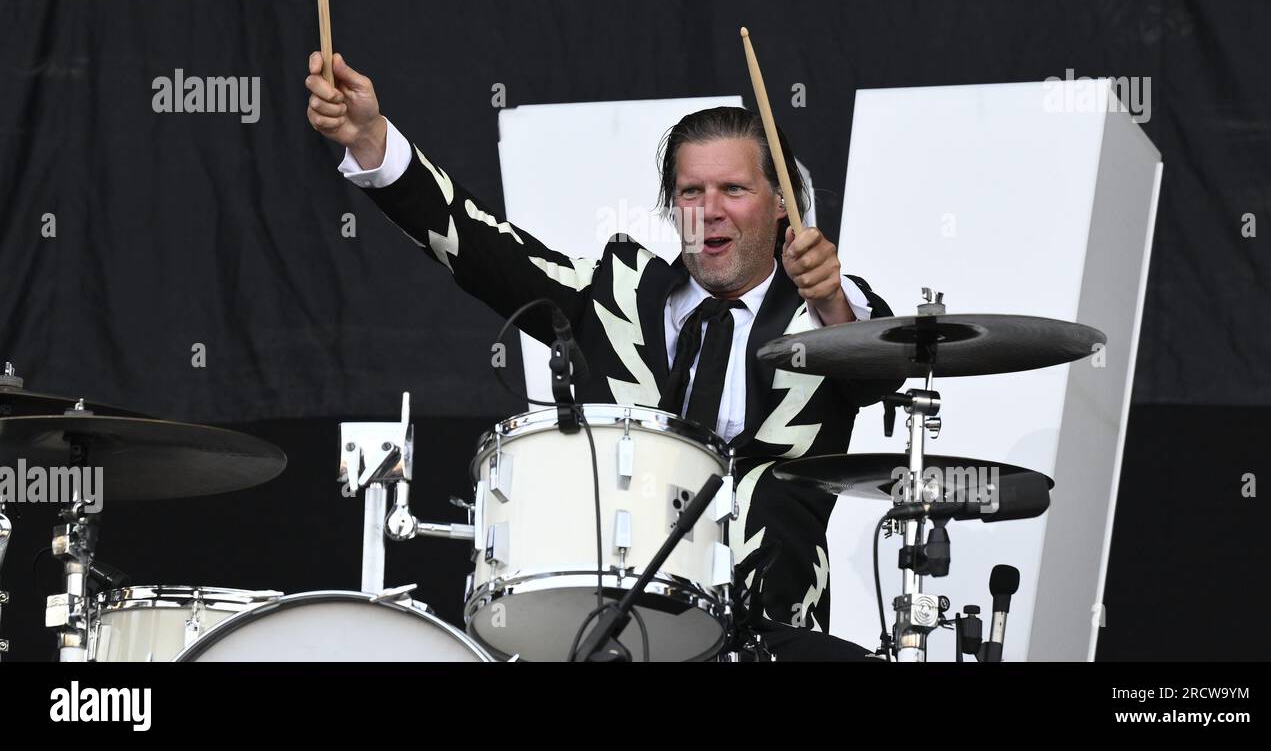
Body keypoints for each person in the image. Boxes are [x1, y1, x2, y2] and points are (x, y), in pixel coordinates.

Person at [305, 51, 892, 660]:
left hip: (776, 641)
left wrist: (830, 296)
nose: (710, 209)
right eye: (692, 192)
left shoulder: (828, 318)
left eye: (734, 189)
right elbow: (482, 248)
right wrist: (373, 140)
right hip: (614, 634)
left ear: (780, 203)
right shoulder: (617, 297)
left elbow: (880, 367)